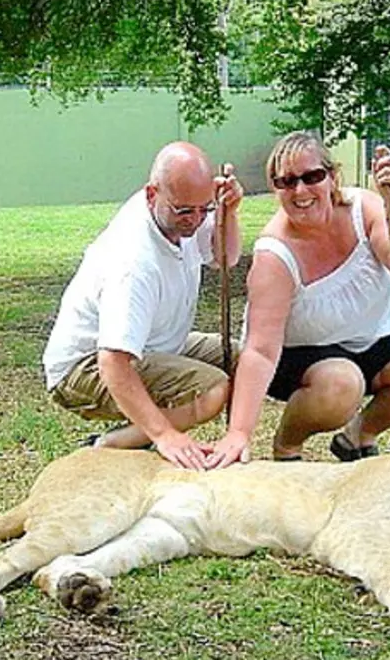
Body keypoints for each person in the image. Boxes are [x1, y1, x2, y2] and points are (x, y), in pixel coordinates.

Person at [211, 132, 390, 468]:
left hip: (375, 339)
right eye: (286, 182)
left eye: (312, 177)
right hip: (303, 354)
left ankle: (358, 437)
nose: (301, 191)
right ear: (275, 189)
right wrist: (239, 433)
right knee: (342, 383)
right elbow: (261, 350)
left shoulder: (364, 210)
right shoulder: (274, 254)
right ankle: (288, 444)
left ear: (332, 176)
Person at [43, 142, 243, 470]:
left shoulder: (183, 204)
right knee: (210, 391)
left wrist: (227, 213)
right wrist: (166, 433)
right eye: (184, 211)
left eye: (203, 210)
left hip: (151, 344)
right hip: (84, 366)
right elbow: (113, 363)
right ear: (152, 194)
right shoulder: (134, 262)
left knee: (243, 361)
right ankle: (111, 446)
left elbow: (224, 257)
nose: (195, 221)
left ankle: (225, 449)